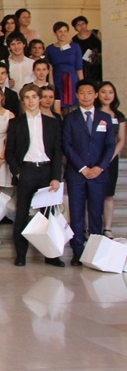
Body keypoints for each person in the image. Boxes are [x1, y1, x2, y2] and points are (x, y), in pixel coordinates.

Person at [7, 84, 64, 267]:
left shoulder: (52, 123)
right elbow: (10, 152)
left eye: (34, 96)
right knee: (22, 213)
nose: (31, 101)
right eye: (27, 97)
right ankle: (21, 254)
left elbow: (57, 151)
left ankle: (51, 255)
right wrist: (18, 172)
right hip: (27, 171)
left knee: (48, 215)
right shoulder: (16, 123)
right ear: (23, 101)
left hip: (47, 171)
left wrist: (56, 176)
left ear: (40, 99)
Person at [63, 79, 118, 266]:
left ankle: (96, 251)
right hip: (77, 174)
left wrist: (100, 167)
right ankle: (78, 251)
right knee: (76, 214)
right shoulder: (70, 118)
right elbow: (67, 146)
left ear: (95, 95)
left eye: (89, 93)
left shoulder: (105, 117)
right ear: (77, 95)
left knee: (96, 214)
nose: (85, 96)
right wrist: (83, 168)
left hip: (98, 174)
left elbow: (111, 145)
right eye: (82, 93)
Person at [98, 81, 125, 237]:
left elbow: (121, 139)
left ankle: (107, 228)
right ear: (97, 94)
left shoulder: (119, 116)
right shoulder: (93, 112)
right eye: (103, 91)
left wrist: (109, 157)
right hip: (93, 158)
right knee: (92, 195)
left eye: (110, 92)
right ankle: (90, 228)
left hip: (110, 159)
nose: (107, 95)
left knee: (109, 194)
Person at [45, 21, 85, 108]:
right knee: (58, 104)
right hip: (57, 79)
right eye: (60, 31)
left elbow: (79, 67)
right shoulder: (50, 49)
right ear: (55, 33)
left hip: (72, 79)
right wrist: (52, 85)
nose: (63, 34)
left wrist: (82, 84)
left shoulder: (75, 46)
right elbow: (49, 68)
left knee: (74, 105)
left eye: (65, 31)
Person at [72, 15, 102, 81]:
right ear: (75, 28)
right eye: (78, 25)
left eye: (83, 23)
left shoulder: (96, 33)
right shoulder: (74, 40)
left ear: (86, 24)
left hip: (99, 64)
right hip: (86, 67)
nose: (81, 26)